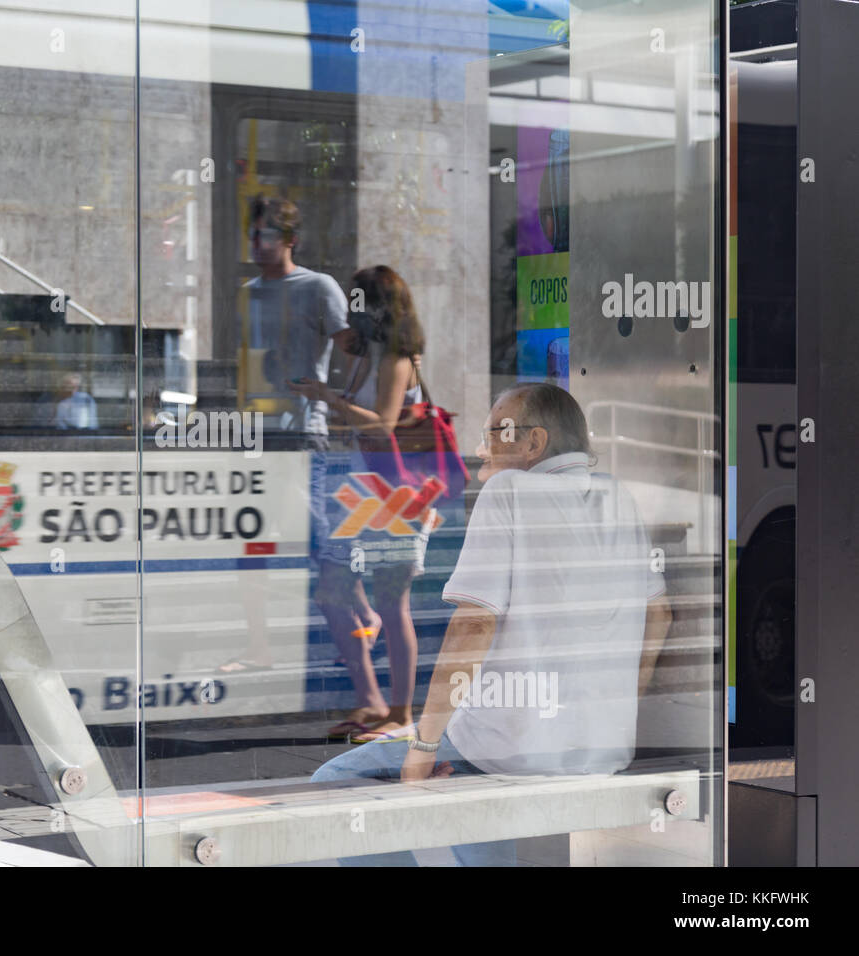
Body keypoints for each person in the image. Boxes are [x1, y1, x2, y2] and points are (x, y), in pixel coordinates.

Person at [311, 383, 672, 866]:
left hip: (506, 749)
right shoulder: (616, 495)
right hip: (601, 751)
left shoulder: (508, 489)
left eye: (494, 433)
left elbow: (473, 626)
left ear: (534, 443)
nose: (481, 448)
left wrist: (424, 744)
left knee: (336, 785)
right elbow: (661, 615)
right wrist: (614, 714)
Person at [216, 196, 382, 677]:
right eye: (253, 234)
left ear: (289, 239)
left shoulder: (318, 287)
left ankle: (366, 617)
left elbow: (354, 347)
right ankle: (260, 648)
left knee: (319, 543)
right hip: (254, 434)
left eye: (267, 234)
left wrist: (338, 401)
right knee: (251, 544)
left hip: (302, 435)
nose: (257, 243)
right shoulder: (247, 292)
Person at [290, 266, 433, 743]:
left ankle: (401, 714)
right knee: (331, 591)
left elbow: (384, 424)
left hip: (396, 494)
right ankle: (373, 700)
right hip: (359, 488)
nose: (351, 309)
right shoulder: (369, 354)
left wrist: (326, 397)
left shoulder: (397, 358)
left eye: (358, 301)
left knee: (393, 605)